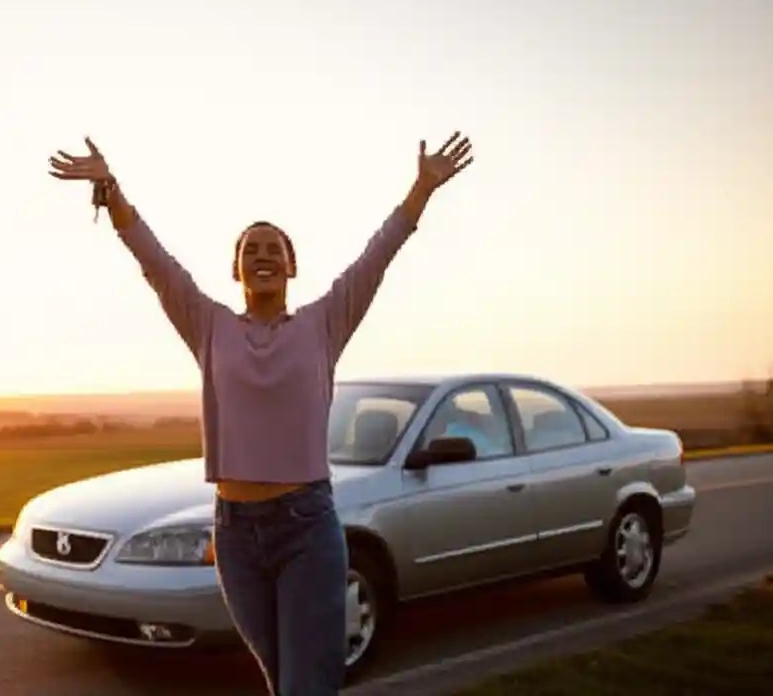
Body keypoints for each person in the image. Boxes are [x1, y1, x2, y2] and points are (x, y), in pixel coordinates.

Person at [48, 131, 473, 695]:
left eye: (275, 248)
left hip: (306, 529)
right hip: (235, 534)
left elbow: (379, 253)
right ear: (237, 272)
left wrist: (422, 188)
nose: (264, 255)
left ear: (292, 267)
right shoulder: (209, 326)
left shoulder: (324, 323)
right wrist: (110, 188)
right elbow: (156, 262)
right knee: (282, 681)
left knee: (306, 685)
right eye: (252, 249)